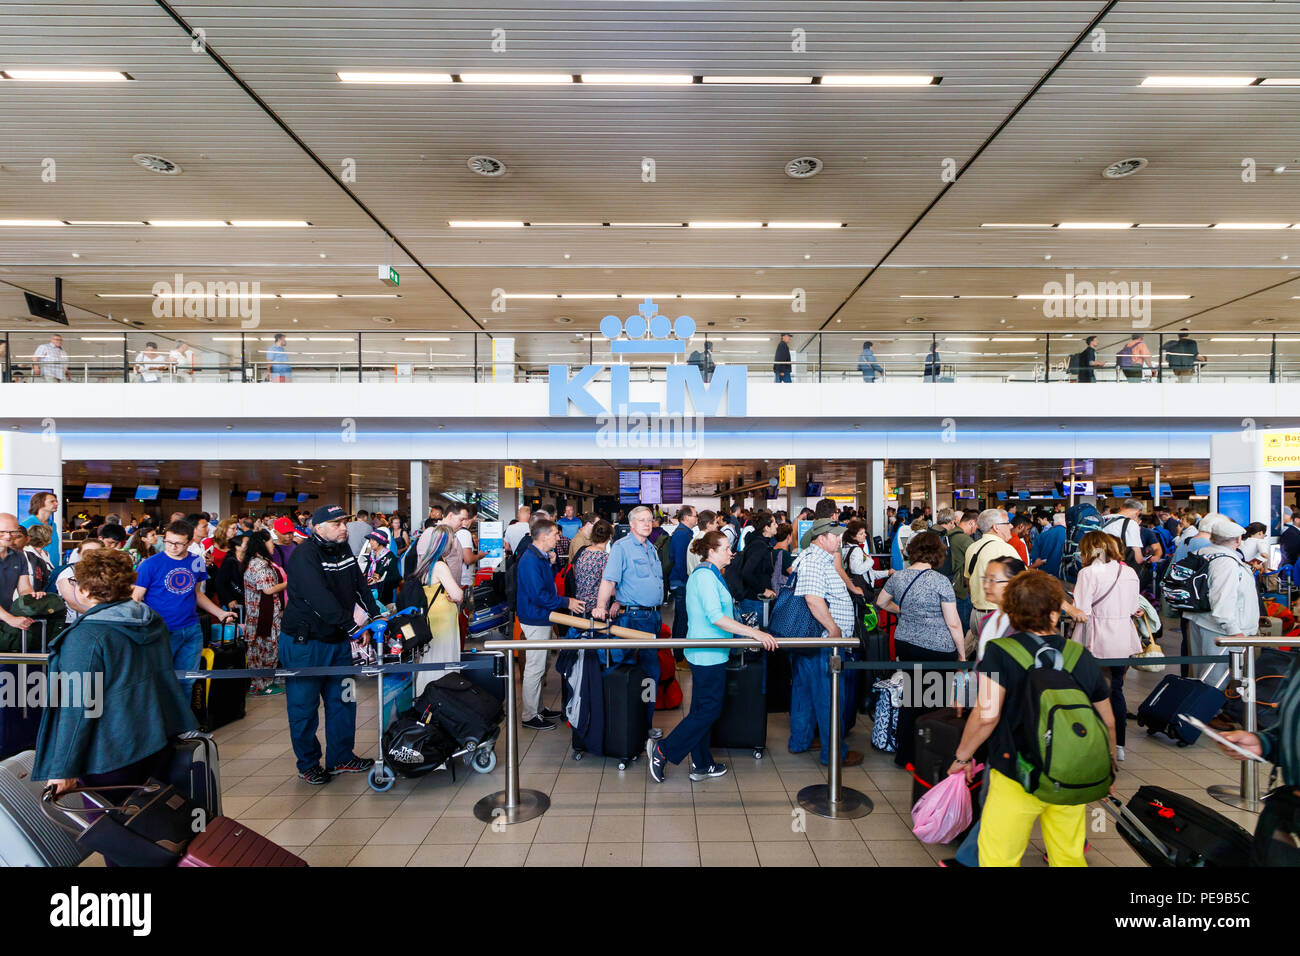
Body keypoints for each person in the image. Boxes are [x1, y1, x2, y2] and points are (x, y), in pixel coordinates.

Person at [948, 570, 1117, 867]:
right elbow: (1108, 720)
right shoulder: (1080, 655)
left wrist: (963, 757)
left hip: (1016, 773)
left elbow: (986, 715)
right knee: (1068, 855)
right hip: (1070, 773)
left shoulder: (1001, 653)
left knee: (999, 856)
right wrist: (1109, 766)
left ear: (1012, 612)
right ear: (1054, 614)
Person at [32, 549, 198, 795]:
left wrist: (63, 768)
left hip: (109, 752)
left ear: (86, 590)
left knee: (109, 828)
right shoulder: (150, 619)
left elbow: (78, 707)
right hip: (156, 737)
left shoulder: (86, 637)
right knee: (151, 819)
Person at [647, 530, 779, 783]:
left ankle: (701, 763)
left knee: (701, 709)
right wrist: (754, 633)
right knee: (708, 711)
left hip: (708, 652)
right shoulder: (706, 577)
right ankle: (664, 751)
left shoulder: (711, 574)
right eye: (726, 548)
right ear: (711, 552)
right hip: (708, 655)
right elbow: (716, 617)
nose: (731, 552)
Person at [280, 504, 383, 784]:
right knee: (304, 706)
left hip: (337, 641)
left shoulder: (343, 550)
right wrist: (352, 627)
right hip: (305, 643)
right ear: (318, 527)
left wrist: (374, 617)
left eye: (345, 522)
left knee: (343, 700)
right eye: (337, 523)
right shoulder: (304, 556)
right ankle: (308, 763)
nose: (344, 527)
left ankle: (341, 757)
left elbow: (358, 585)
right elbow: (319, 598)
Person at [874, 531, 966, 767]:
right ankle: (930, 755)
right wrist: (962, 655)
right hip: (937, 647)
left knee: (912, 699)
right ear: (937, 554)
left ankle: (906, 756)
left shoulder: (900, 577)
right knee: (935, 703)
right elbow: (953, 622)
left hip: (906, 643)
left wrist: (901, 611)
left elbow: (881, 602)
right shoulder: (940, 581)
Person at [789, 517, 863, 767]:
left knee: (805, 692)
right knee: (829, 696)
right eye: (835, 536)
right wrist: (833, 627)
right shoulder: (813, 562)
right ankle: (834, 752)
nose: (840, 539)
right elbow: (813, 598)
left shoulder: (818, 559)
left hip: (811, 641)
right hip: (823, 641)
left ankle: (801, 740)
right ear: (821, 539)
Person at [132, 520, 235, 696]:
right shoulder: (151, 564)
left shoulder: (196, 561)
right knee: (162, 682)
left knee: (187, 681)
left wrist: (220, 613)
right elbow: (137, 597)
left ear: (189, 542)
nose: (172, 547)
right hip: (162, 631)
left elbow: (196, 594)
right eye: (168, 542)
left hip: (191, 629)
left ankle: (182, 722)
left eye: (178, 543)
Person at [593, 505, 665, 735]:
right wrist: (600, 607)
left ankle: (646, 723)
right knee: (635, 671)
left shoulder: (651, 548)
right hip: (635, 617)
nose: (646, 523)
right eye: (641, 520)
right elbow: (609, 580)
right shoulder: (622, 548)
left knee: (651, 673)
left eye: (649, 519)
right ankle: (630, 722)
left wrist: (619, 600)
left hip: (653, 615)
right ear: (631, 524)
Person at [1070, 531, 1140, 763]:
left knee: (1090, 692)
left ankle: (1093, 743)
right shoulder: (1128, 571)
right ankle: (1118, 744)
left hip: (1095, 637)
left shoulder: (1088, 573)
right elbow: (1133, 606)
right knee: (1116, 691)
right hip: (1122, 638)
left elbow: (1081, 610)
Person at [517, 518, 586, 731]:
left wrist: (553, 562)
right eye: (555, 534)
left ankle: (538, 708)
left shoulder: (541, 558)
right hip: (535, 617)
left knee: (542, 664)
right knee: (535, 668)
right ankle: (529, 715)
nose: (559, 537)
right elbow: (539, 594)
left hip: (543, 616)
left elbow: (547, 586)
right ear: (544, 536)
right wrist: (567, 602)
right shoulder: (530, 560)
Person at [1185, 517, 1257, 688]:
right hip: (1220, 630)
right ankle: (1205, 713)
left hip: (1200, 620)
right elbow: (1222, 600)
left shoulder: (1203, 553)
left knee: (1203, 674)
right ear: (1238, 540)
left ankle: (1201, 712)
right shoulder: (1226, 562)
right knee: (1214, 680)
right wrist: (1234, 632)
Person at [411, 528, 464, 689]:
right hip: (443, 621)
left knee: (432, 658)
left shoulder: (425, 563)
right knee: (444, 658)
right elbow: (458, 595)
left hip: (432, 617)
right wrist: (454, 594)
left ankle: (425, 695)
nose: (454, 542)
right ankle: (442, 695)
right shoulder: (440, 565)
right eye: (452, 538)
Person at [242, 529, 286, 696]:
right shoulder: (260, 564)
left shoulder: (256, 561)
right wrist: (288, 583)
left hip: (258, 613)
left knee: (259, 649)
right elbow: (267, 590)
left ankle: (260, 682)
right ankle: (262, 684)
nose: (273, 544)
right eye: (270, 542)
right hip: (263, 616)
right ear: (262, 543)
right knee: (266, 648)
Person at [965, 509, 1021, 638]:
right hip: (996, 615)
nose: (1011, 526)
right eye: (1007, 523)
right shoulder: (1005, 549)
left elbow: (968, 581)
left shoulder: (972, 547)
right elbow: (1024, 582)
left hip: (975, 614)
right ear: (996, 527)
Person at [737, 510, 778, 620]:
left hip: (753, 600)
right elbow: (746, 572)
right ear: (766, 527)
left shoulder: (758, 542)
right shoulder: (759, 546)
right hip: (754, 601)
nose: (777, 525)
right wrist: (764, 590)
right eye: (774, 523)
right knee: (755, 634)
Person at [668, 506, 697, 650]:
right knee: (683, 619)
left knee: (681, 617)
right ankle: (679, 655)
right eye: (694, 516)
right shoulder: (682, 535)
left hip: (679, 581)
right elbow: (680, 563)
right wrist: (689, 583)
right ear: (686, 518)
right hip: (681, 582)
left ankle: (678, 652)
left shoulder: (684, 533)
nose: (696, 519)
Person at [1101, 497, 1146, 569]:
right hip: (1117, 568)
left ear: (1122, 508)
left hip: (1098, 563)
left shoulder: (1103, 518)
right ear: (1138, 513)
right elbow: (1137, 555)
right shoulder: (1131, 523)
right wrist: (1143, 562)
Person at [362, 528, 401, 606]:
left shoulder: (390, 556)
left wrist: (381, 581)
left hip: (384, 595)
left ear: (380, 542)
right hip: (370, 592)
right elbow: (366, 571)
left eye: (373, 540)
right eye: (370, 540)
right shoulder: (372, 554)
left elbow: (396, 578)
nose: (370, 542)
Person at [21, 491, 60, 568]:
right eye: (52, 501)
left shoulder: (53, 524)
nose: (56, 504)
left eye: (56, 501)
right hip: (36, 569)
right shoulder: (26, 524)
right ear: (40, 503)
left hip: (53, 567)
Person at [212, 532, 248, 614]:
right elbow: (219, 582)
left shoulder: (247, 560)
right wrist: (229, 599)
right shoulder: (229, 562)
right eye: (246, 543)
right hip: (234, 601)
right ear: (237, 547)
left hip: (245, 599)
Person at [1029, 511, 1067, 580]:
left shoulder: (1041, 536)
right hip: (1064, 576)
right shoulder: (1069, 535)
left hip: (1045, 576)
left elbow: (1034, 558)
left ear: (1054, 522)